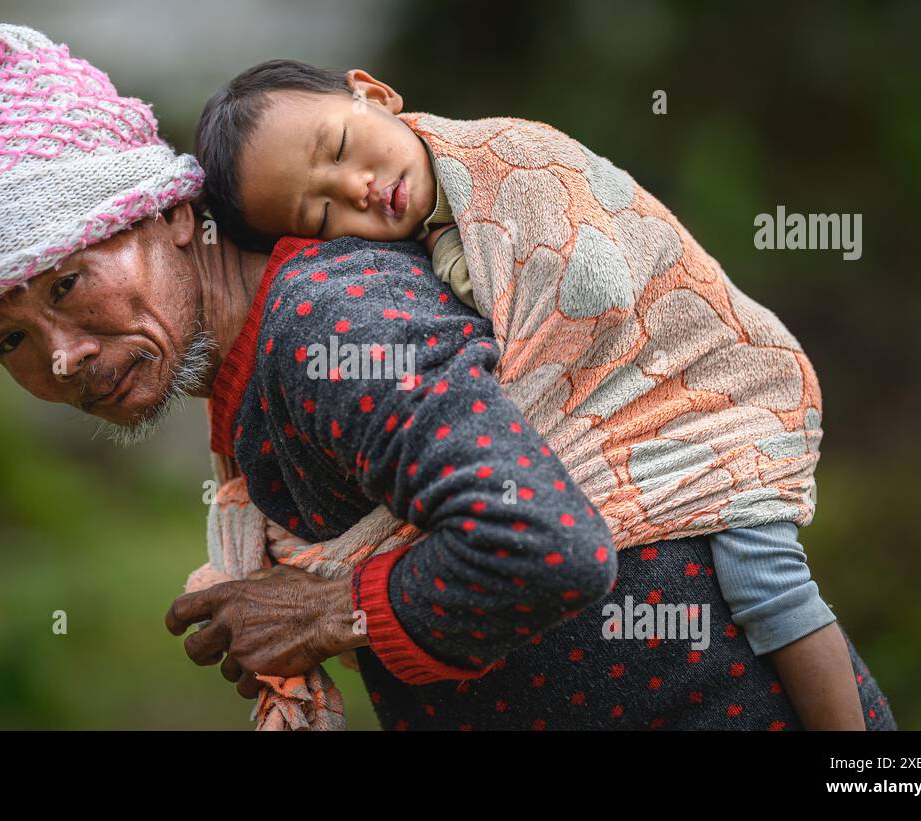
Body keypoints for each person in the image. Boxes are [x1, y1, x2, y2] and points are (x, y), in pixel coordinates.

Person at [0, 23, 895, 730]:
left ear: (169, 215)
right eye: (5, 339)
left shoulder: (324, 320)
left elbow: (543, 545)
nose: (60, 354)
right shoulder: (257, 376)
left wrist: (327, 610)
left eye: (68, 283)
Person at [193, 59, 872, 729]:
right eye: (321, 210)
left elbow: (596, 284)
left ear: (373, 93)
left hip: (712, 386)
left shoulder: (510, 160)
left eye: (340, 147)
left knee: (766, 582)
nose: (358, 188)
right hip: (634, 432)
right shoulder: (409, 262)